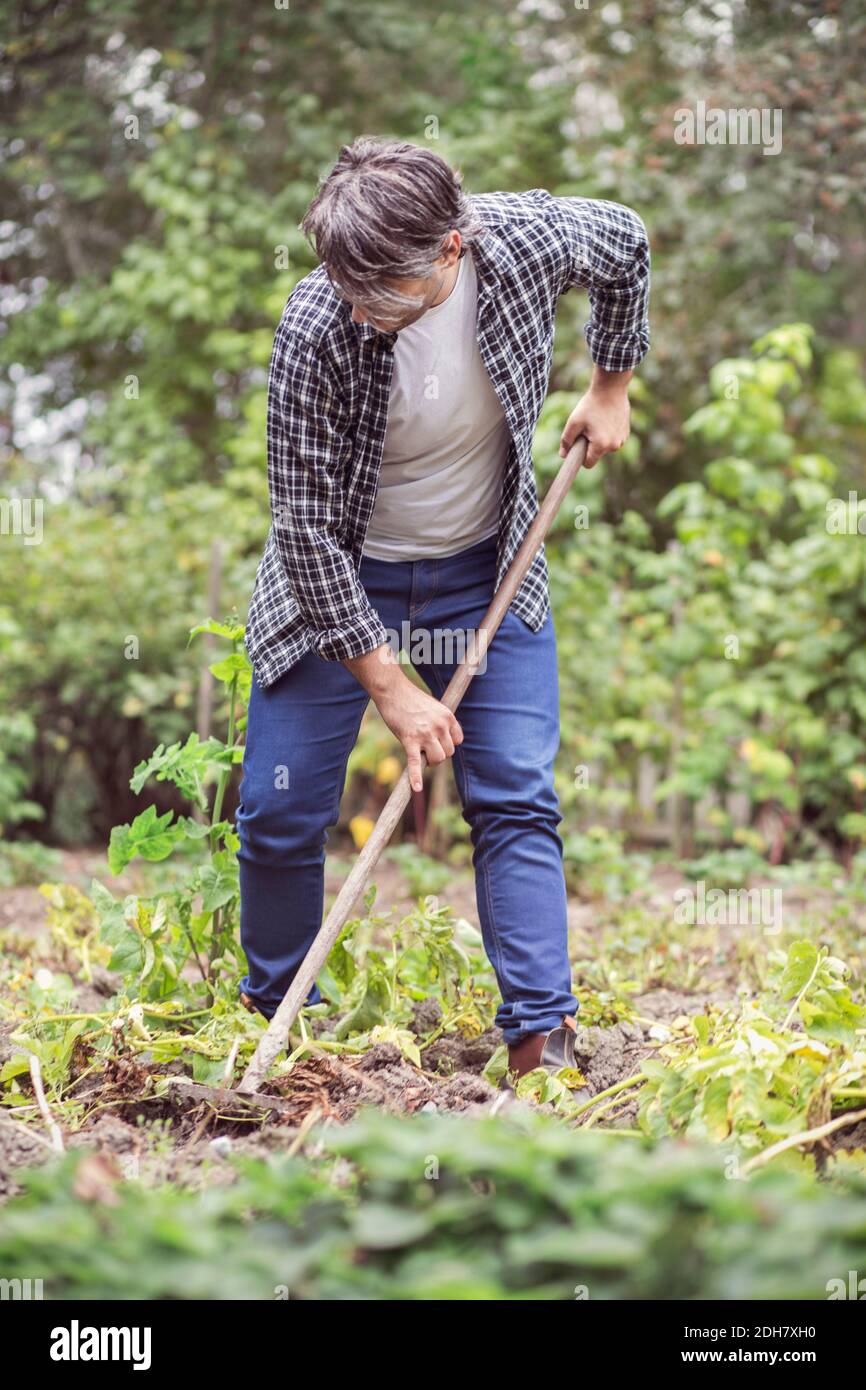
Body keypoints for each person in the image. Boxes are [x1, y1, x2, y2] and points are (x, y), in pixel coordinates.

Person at [238, 137, 651, 1082]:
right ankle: (281, 1020)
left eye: (378, 291)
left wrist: (610, 384)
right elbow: (302, 531)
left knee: (513, 794)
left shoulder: (521, 242)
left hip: (483, 573)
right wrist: (387, 682)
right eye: (344, 285)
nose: (357, 308)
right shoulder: (316, 328)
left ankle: (542, 1038)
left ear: (450, 252)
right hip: (341, 580)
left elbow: (625, 243)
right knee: (277, 809)